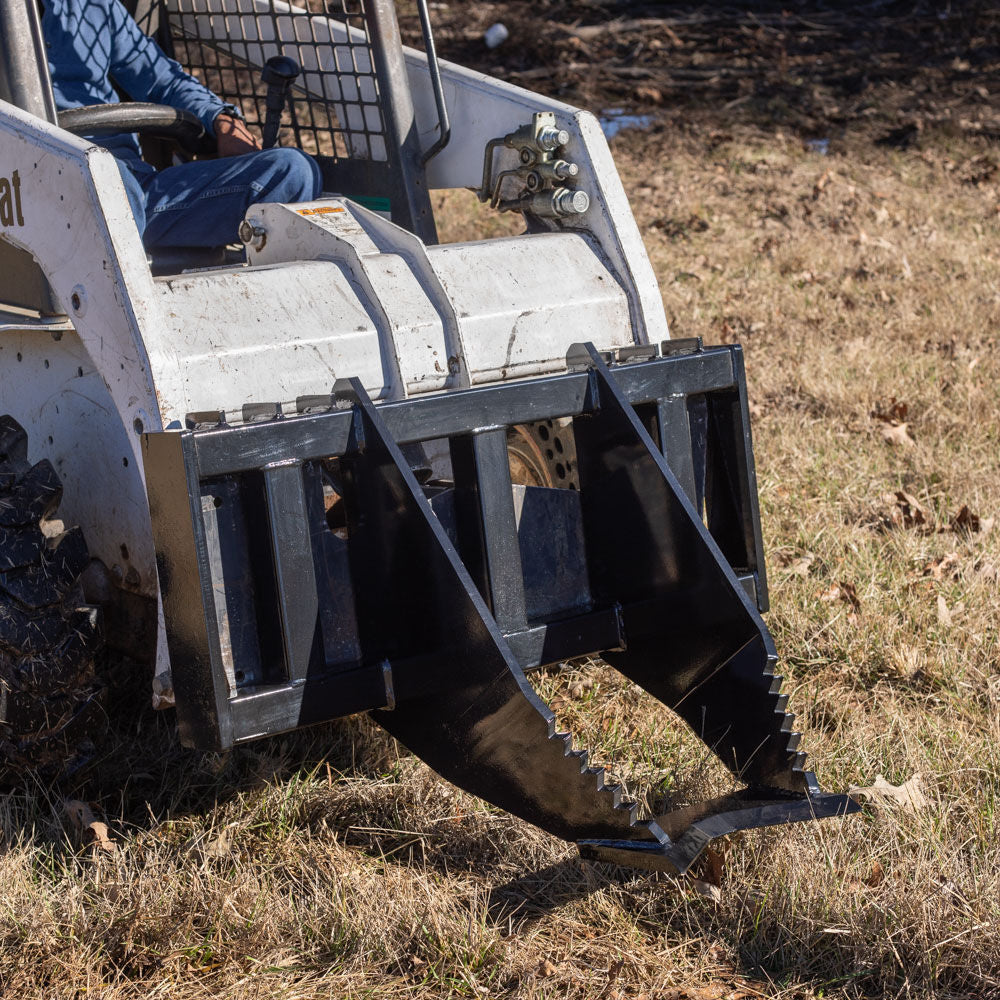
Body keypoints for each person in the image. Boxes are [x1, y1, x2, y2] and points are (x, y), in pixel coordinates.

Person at [42, 0, 322, 249]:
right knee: (107, 181)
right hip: (40, 188)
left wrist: (220, 120)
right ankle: (118, 302)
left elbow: (163, 80)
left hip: (132, 190)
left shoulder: (92, 6)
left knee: (292, 172)